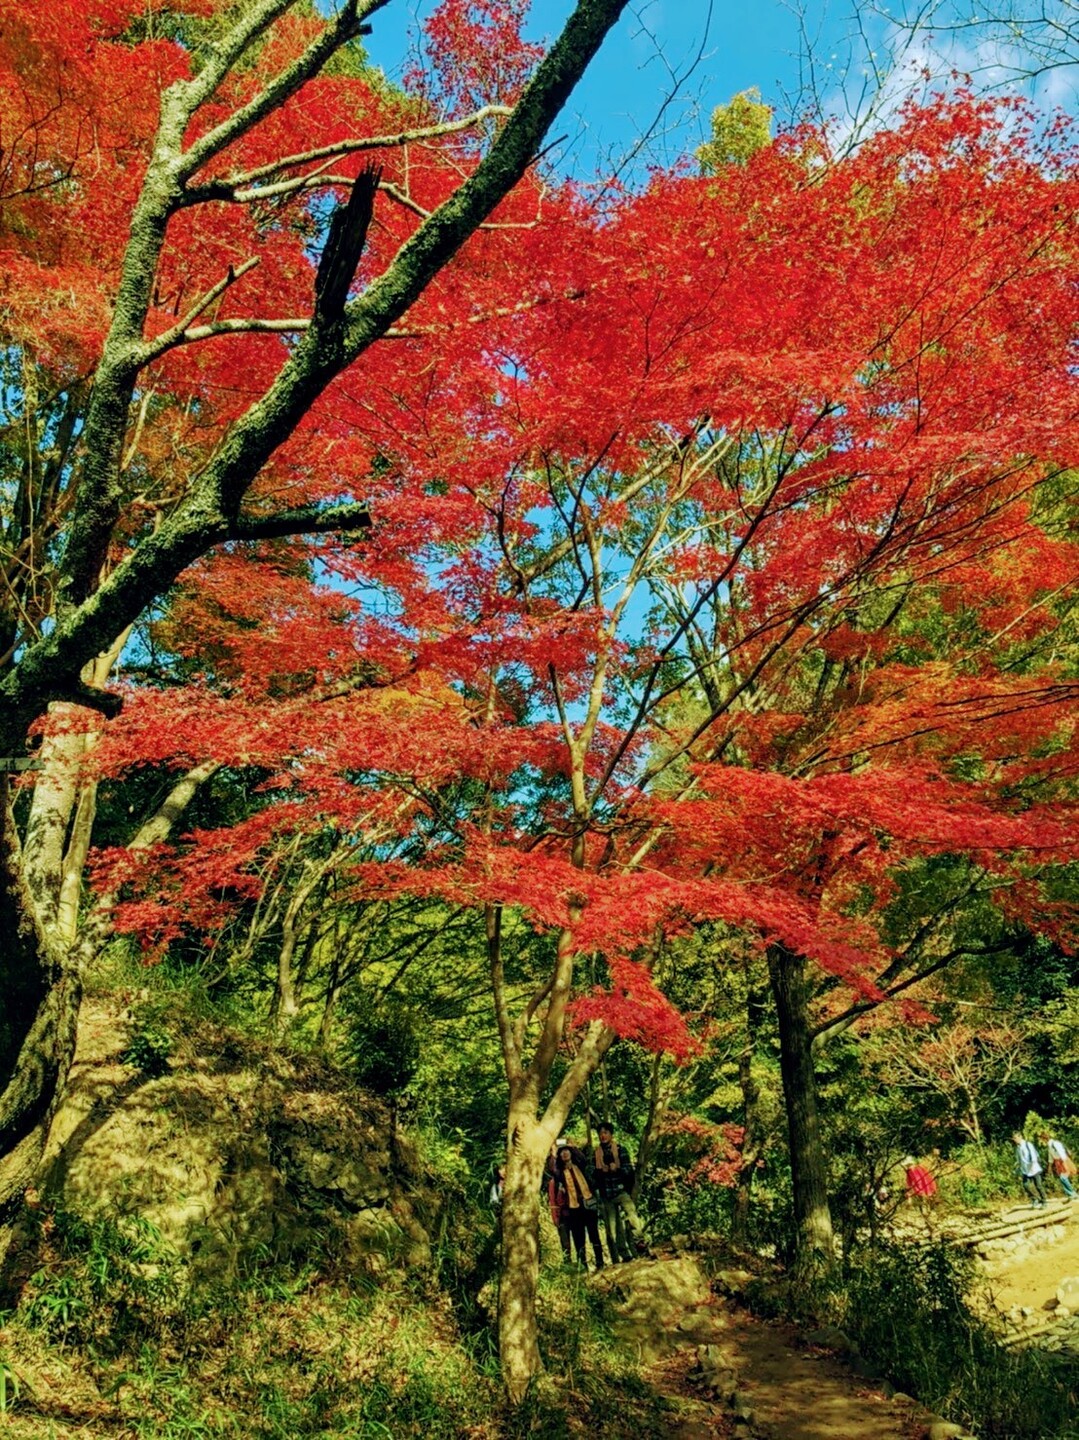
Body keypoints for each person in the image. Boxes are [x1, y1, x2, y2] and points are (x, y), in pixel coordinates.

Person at [594, 1122, 650, 1262]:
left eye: (606, 1132)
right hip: (606, 1194)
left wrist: (616, 1169)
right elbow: (592, 1174)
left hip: (621, 1190)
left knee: (632, 1216)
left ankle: (640, 1244)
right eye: (600, 1133)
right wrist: (601, 1171)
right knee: (613, 1229)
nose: (603, 1136)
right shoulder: (596, 1154)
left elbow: (629, 1170)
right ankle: (623, 1256)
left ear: (611, 1134)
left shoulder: (620, 1149)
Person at [555, 1144, 604, 1270]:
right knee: (578, 1238)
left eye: (567, 1151)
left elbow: (585, 1160)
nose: (564, 1154)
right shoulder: (560, 1174)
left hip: (588, 1203)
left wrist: (572, 1146)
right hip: (573, 1208)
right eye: (562, 1152)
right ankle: (583, 1265)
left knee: (594, 1235)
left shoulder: (581, 1166)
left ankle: (600, 1262)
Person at [544, 1142, 573, 1262]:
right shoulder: (554, 1181)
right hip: (562, 1214)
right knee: (565, 1241)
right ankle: (568, 1262)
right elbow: (552, 1200)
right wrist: (555, 1217)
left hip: (575, 1211)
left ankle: (583, 1263)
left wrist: (573, 1147)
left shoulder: (574, 1172)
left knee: (579, 1239)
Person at [1013, 1131, 1047, 1208]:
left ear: (1020, 1137)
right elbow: (1019, 1160)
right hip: (1025, 1170)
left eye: (1016, 1138)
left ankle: (1044, 1201)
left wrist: (1031, 1164)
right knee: (1026, 1185)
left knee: (1038, 1186)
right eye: (1014, 1138)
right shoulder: (1018, 1148)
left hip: (1034, 1169)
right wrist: (1017, 1168)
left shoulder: (1028, 1145)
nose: (1015, 1140)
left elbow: (1034, 1157)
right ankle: (1035, 1199)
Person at [1040, 1131, 1077, 1201]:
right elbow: (1050, 1157)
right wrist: (1050, 1167)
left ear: (1044, 1139)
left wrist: (1064, 1164)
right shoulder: (1049, 1146)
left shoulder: (1055, 1143)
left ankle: (1073, 1193)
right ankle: (1071, 1194)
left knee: (1063, 1178)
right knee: (1062, 1178)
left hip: (1063, 1161)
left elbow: (1061, 1153)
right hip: (1058, 1162)